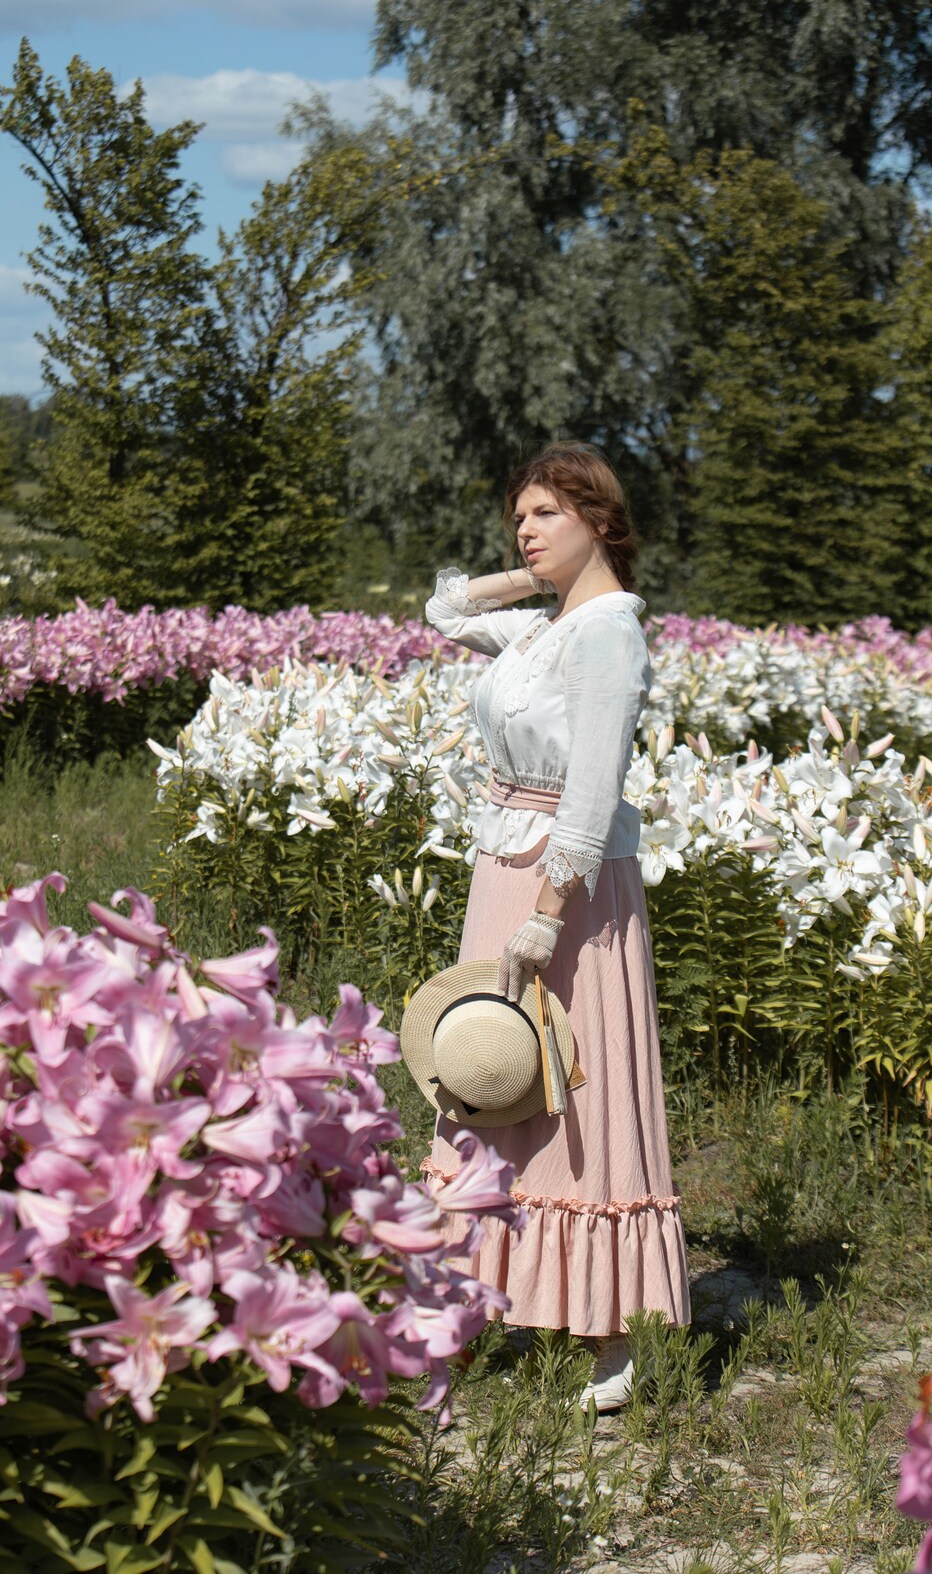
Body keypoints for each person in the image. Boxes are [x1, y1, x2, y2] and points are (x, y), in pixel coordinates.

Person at [419, 442, 690, 1411]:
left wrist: (547, 912)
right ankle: (461, 1311)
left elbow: (594, 786)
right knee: (489, 1079)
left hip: (564, 890)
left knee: (577, 1090)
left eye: (544, 515)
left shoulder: (607, 631)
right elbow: (445, 610)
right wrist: (537, 569)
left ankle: (608, 1337)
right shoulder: (543, 628)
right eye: (519, 516)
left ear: (598, 519)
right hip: (506, 863)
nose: (524, 531)